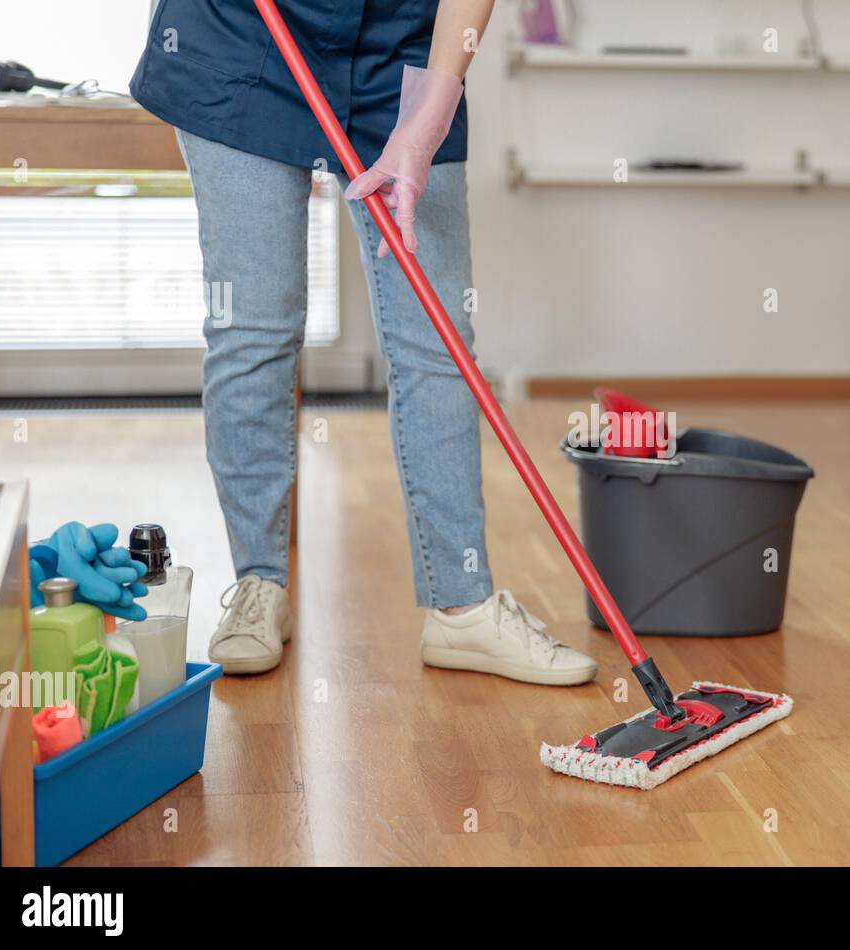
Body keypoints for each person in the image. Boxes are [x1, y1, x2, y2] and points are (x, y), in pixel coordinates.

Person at [127, 0, 596, 685]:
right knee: (253, 328)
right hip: (245, 41)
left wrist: (430, 111)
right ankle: (259, 586)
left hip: (401, 55)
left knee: (438, 336)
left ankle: (461, 608)